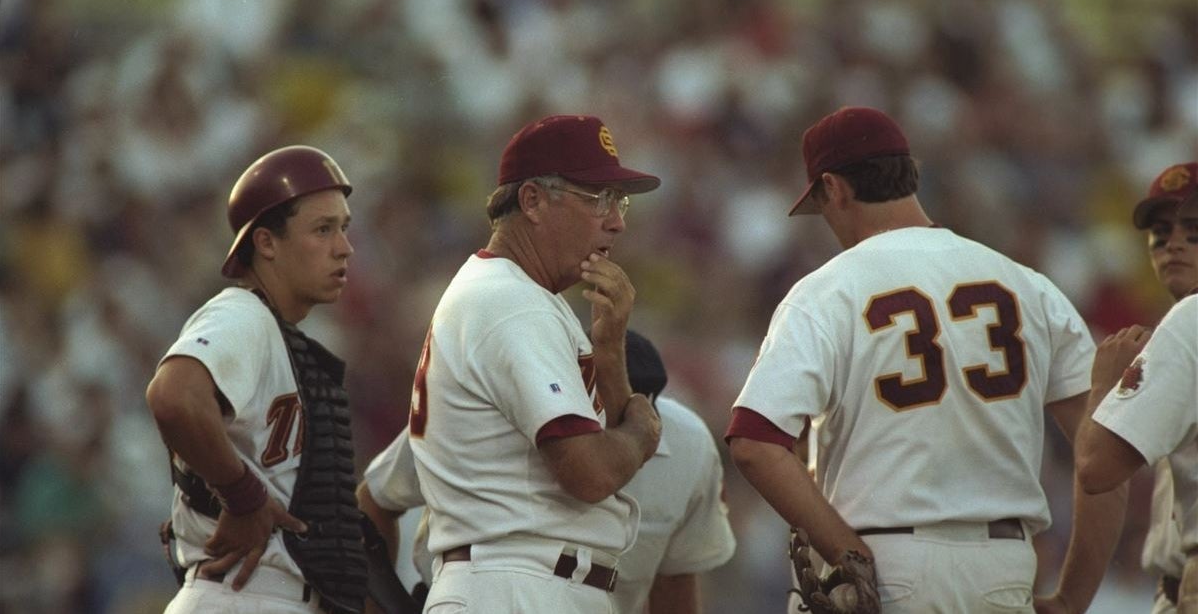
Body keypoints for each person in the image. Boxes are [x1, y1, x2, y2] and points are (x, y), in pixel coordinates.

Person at [723, 106, 1126, 614]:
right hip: (1004, 568)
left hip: (890, 562)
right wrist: (1073, 597)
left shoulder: (827, 291)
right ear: (908, 174)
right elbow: (1108, 459)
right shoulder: (1026, 285)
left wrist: (850, 558)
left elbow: (754, 444)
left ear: (835, 187)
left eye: (821, 203)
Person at [408, 114, 663, 614]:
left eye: (619, 200)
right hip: (514, 582)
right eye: (598, 198)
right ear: (533, 201)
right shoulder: (510, 301)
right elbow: (590, 474)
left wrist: (609, 353)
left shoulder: (515, 296)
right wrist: (643, 431)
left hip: (519, 579)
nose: (617, 220)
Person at [358, 329, 737, 614]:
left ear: (649, 407)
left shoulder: (689, 446)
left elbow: (674, 582)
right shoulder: (490, 405)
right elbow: (375, 499)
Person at [146, 146, 369, 614]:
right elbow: (173, 396)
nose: (344, 247)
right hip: (240, 593)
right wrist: (244, 496)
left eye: (343, 228)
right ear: (266, 242)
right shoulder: (243, 312)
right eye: (323, 229)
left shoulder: (279, 338)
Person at [1075, 179, 1198, 614]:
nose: (1173, 244)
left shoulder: (1188, 325)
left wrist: (1104, 387)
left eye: (1190, 229)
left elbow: (1097, 469)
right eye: (1160, 233)